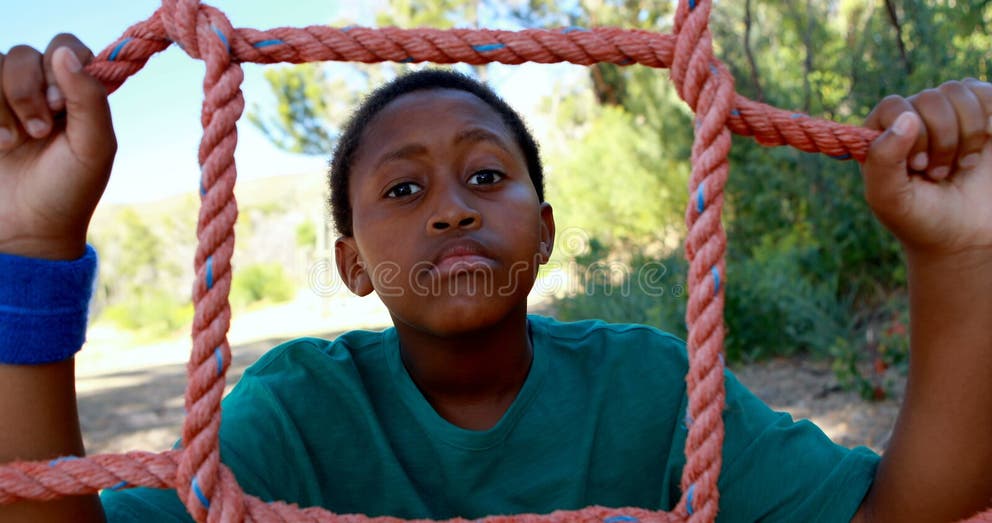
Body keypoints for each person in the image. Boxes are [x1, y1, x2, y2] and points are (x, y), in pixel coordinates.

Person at [0, 33, 990, 523]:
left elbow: (901, 512)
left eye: (485, 175)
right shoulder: (292, 415)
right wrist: (29, 246)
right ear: (352, 265)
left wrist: (960, 258)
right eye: (400, 188)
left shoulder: (650, 390)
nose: (449, 207)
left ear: (545, 231)